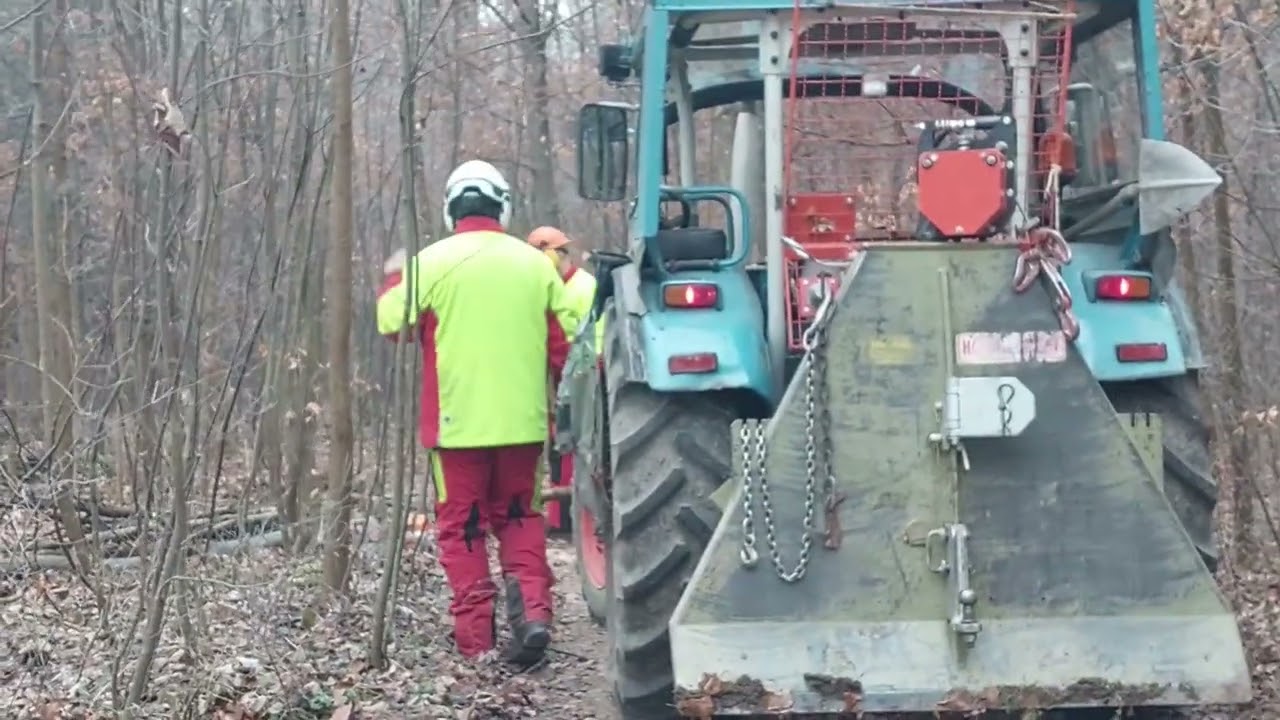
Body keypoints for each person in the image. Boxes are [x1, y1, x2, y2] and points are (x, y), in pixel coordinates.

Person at [375, 160, 575, 666]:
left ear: (450, 207)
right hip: (523, 428)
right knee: (520, 518)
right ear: (503, 206)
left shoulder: (430, 263)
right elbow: (564, 346)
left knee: (462, 529)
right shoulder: (537, 265)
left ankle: (476, 643)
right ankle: (532, 615)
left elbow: (390, 322)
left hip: (455, 428)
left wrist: (393, 276)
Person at [526, 227, 597, 533]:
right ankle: (560, 516)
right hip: (561, 371)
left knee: (572, 443)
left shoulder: (583, 286)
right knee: (560, 445)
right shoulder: (552, 285)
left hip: (583, 370)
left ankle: (567, 517)